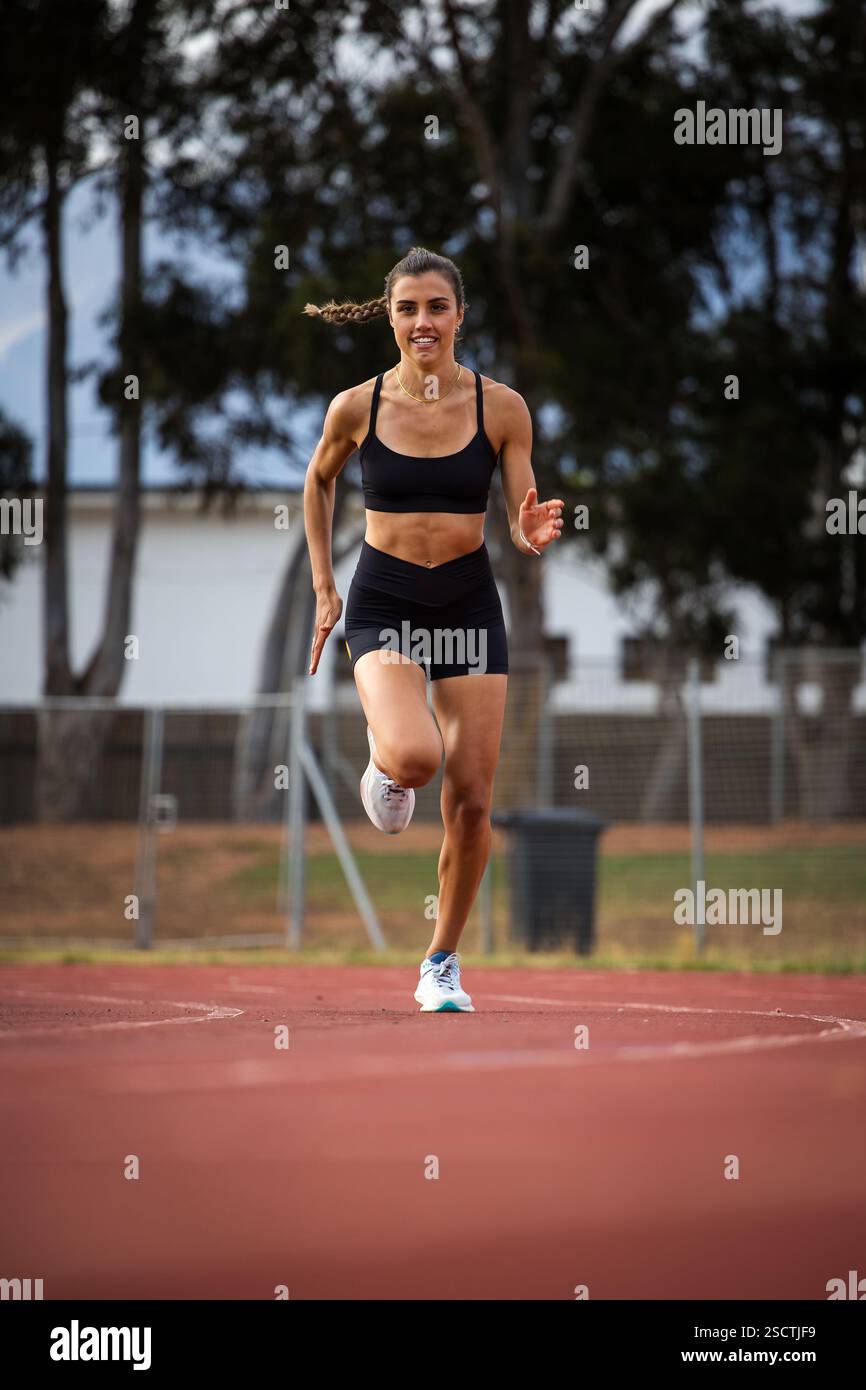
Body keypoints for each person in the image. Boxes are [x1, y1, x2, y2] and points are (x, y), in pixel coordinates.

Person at [303, 247, 562, 1011]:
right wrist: (324, 588)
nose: (424, 322)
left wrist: (532, 531)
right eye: (409, 308)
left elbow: (520, 516)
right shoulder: (357, 406)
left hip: (468, 604)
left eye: (437, 308)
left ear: (459, 316)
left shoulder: (502, 408)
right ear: (390, 316)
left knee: (474, 798)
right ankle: (386, 769)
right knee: (418, 759)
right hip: (385, 599)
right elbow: (318, 481)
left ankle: (440, 963)